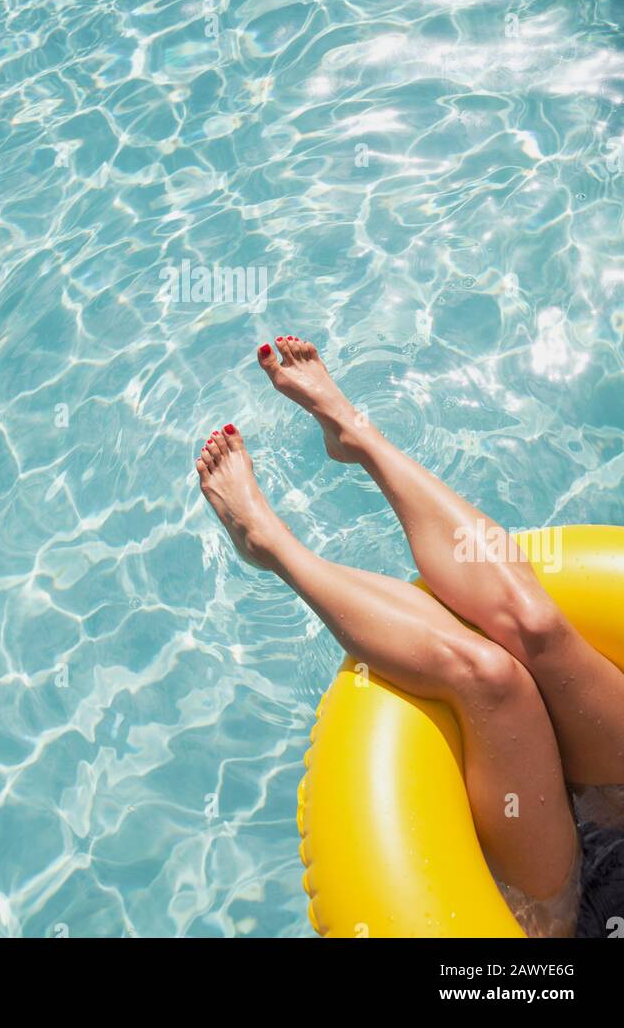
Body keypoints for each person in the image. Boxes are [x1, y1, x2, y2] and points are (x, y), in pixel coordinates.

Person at [196, 336, 624, 938]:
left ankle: (270, 545)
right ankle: (353, 432)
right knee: (539, 627)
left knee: (487, 677)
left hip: (568, 915)